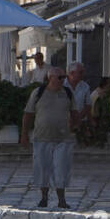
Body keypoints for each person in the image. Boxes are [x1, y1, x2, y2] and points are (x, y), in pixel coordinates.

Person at [21, 67, 78, 209]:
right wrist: (24, 134)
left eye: (64, 77)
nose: (63, 80)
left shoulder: (67, 93)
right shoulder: (38, 93)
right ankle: (44, 197)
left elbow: (74, 111)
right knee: (42, 169)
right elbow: (28, 114)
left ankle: (62, 199)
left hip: (63, 138)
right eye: (60, 77)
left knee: (62, 169)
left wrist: (76, 126)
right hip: (42, 137)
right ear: (50, 77)